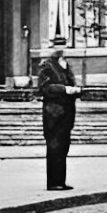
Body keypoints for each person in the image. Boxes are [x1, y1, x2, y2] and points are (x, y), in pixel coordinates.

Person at [37, 42, 80, 191]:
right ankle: (53, 182)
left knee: (63, 147)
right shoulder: (47, 66)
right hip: (53, 113)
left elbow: (71, 82)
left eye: (63, 46)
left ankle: (61, 181)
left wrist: (76, 90)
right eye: (57, 46)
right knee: (54, 147)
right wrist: (65, 89)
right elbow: (44, 88)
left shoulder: (66, 65)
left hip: (67, 112)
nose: (61, 49)